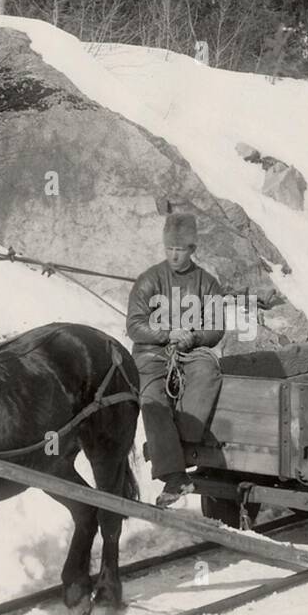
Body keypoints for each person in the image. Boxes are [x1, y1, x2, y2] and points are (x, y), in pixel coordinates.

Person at [126, 212, 225, 506]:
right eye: (169, 249)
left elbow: (216, 327)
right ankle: (174, 476)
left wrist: (193, 337)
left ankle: (170, 447)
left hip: (192, 353)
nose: (174, 256)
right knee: (153, 401)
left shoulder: (207, 283)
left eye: (180, 250)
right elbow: (134, 325)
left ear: (192, 250)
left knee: (209, 373)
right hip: (152, 354)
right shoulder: (149, 279)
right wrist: (167, 334)